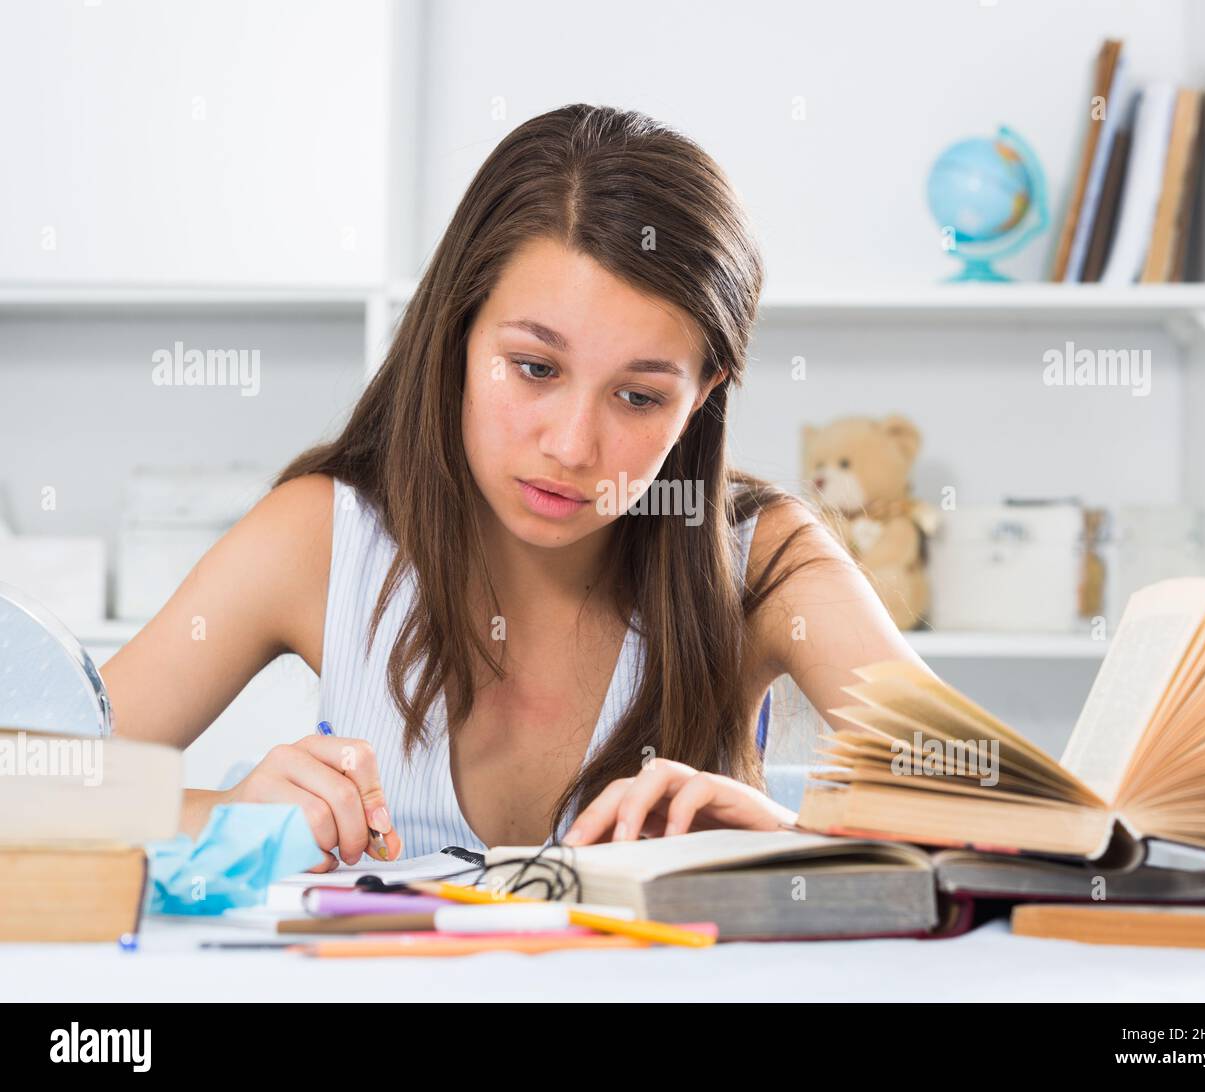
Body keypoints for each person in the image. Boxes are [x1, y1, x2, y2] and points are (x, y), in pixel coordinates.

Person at [103, 104, 929, 873]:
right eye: (535, 368)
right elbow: (33, 783)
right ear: (458, 331)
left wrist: (785, 843)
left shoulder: (763, 560)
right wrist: (225, 816)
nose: (572, 447)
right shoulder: (321, 535)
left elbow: (1011, 818)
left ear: (703, 393)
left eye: (640, 397)